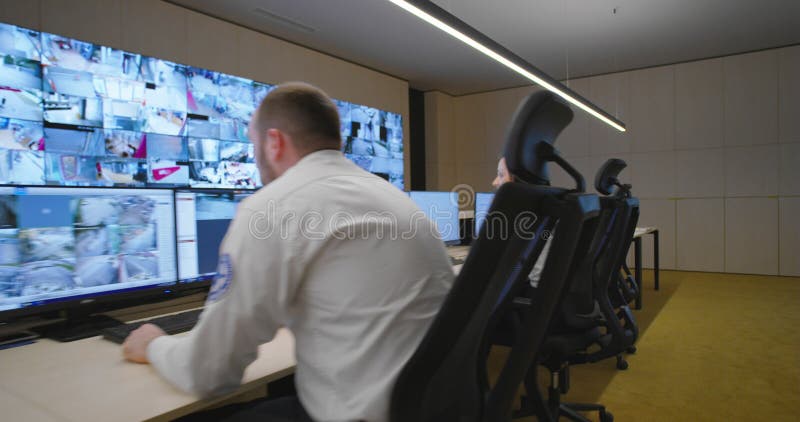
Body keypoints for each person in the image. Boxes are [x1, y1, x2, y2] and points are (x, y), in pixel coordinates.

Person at [122, 82, 455, 421]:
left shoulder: (271, 208)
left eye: (253, 145)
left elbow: (209, 372)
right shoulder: (393, 197)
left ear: (274, 142)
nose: (254, 158)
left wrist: (153, 345)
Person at [492, 157, 551, 287]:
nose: (494, 182)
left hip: (531, 300)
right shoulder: (544, 214)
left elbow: (538, 282)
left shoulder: (531, 223)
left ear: (518, 182)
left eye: (501, 175)